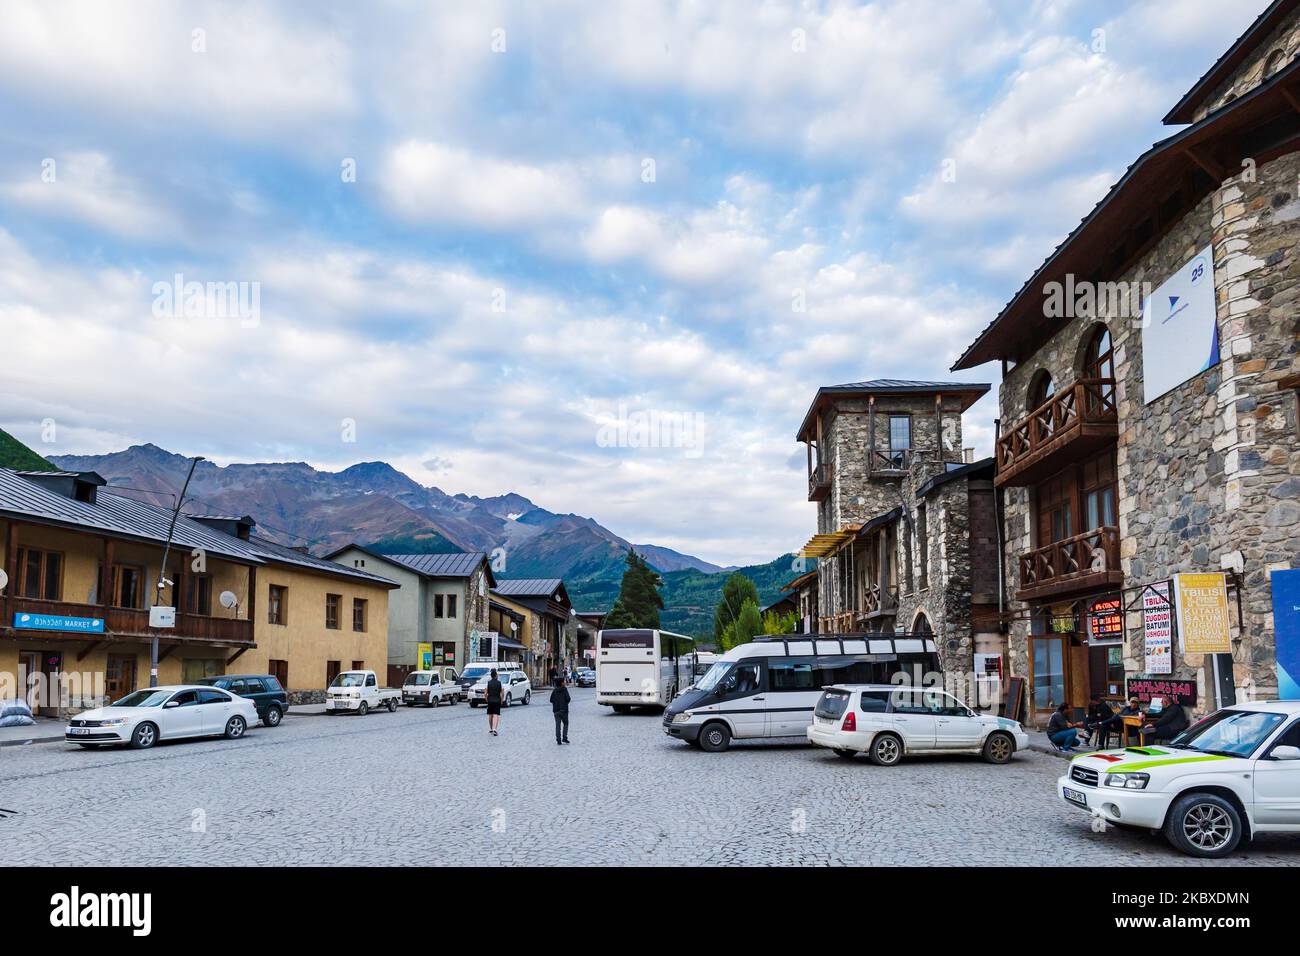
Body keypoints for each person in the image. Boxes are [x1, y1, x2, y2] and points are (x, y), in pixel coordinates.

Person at [551, 674, 571, 745]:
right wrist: (565, 703)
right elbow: (568, 698)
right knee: (566, 723)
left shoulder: (554, 690)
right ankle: (564, 738)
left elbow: (551, 700)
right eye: (564, 681)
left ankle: (558, 740)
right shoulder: (564, 689)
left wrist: (556, 703)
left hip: (556, 710)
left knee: (557, 726)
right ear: (561, 683)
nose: (565, 682)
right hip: (564, 710)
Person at [485, 668, 503, 736]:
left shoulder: (489, 683)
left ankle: (491, 729)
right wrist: (501, 700)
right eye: (497, 675)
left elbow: (485, 693)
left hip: (490, 700)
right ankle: (495, 729)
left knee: (490, 715)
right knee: (496, 715)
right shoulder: (499, 683)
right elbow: (501, 693)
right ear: (495, 676)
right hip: (497, 700)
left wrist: (486, 699)